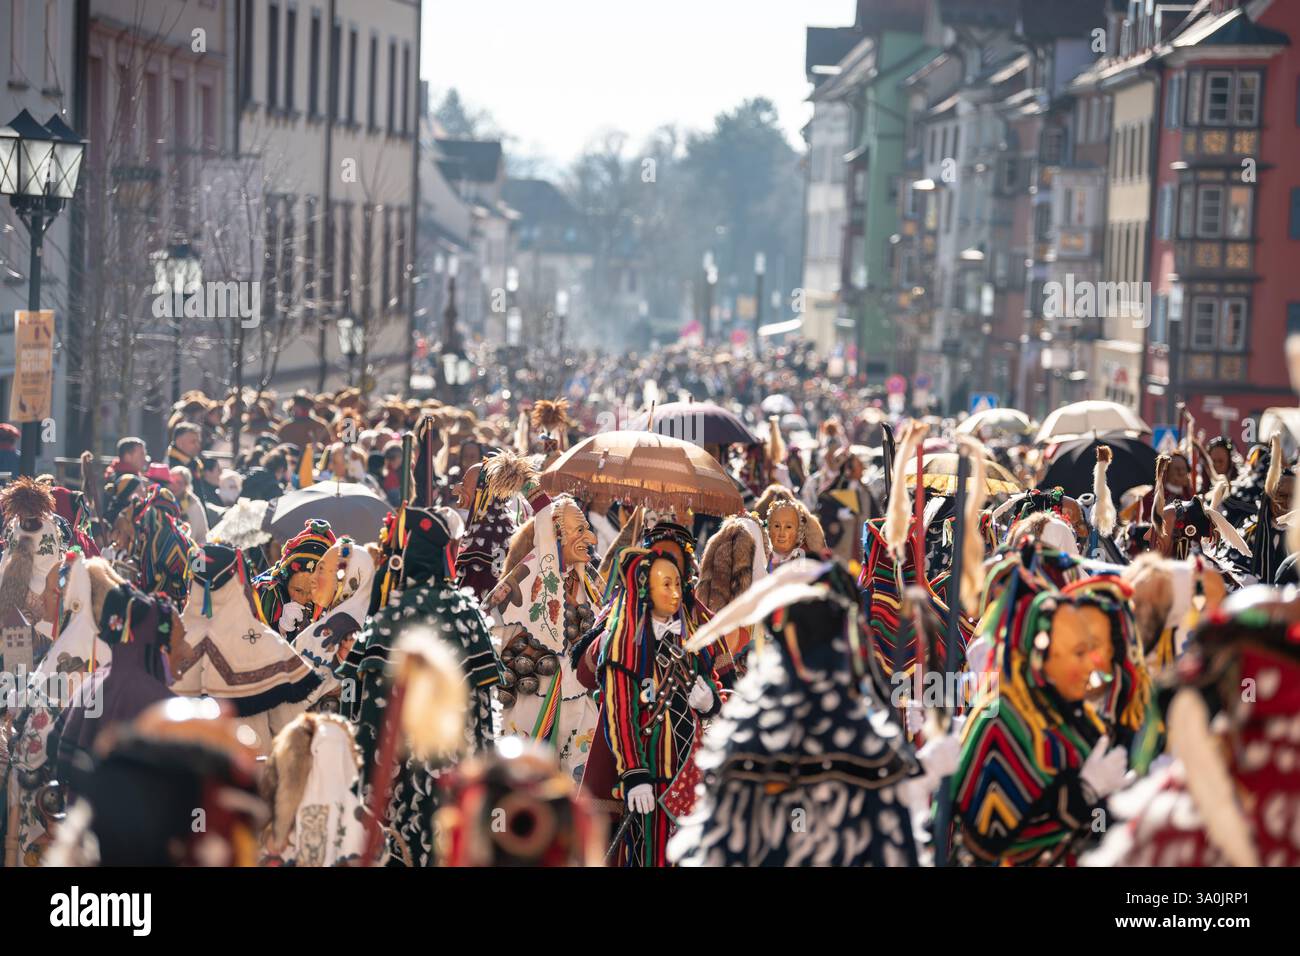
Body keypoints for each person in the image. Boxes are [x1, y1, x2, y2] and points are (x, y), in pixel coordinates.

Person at [596, 547, 721, 866]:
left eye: (678, 583)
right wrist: (634, 773)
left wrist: (710, 704)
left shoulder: (689, 641)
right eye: (665, 584)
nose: (676, 593)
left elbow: (712, 686)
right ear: (645, 590)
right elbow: (620, 714)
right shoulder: (624, 647)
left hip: (694, 777)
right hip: (653, 779)